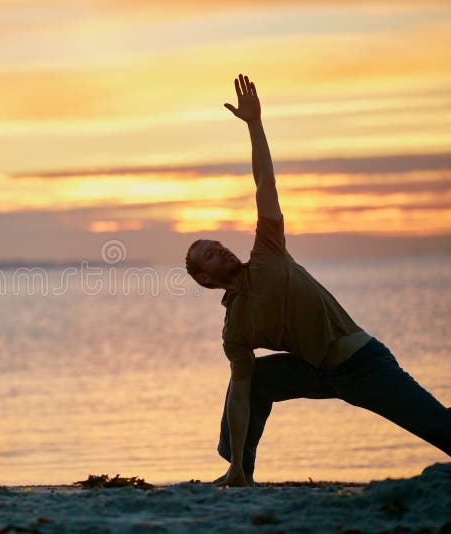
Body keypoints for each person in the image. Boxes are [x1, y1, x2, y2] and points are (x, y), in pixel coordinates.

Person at [184, 74, 451, 487]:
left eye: (218, 243)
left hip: (364, 365)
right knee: (253, 380)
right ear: (204, 278)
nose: (220, 249)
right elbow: (239, 394)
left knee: (439, 428)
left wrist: (254, 125)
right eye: (209, 254)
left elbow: (265, 185)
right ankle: (240, 472)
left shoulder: (267, 253)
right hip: (316, 371)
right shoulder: (234, 328)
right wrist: (235, 461)